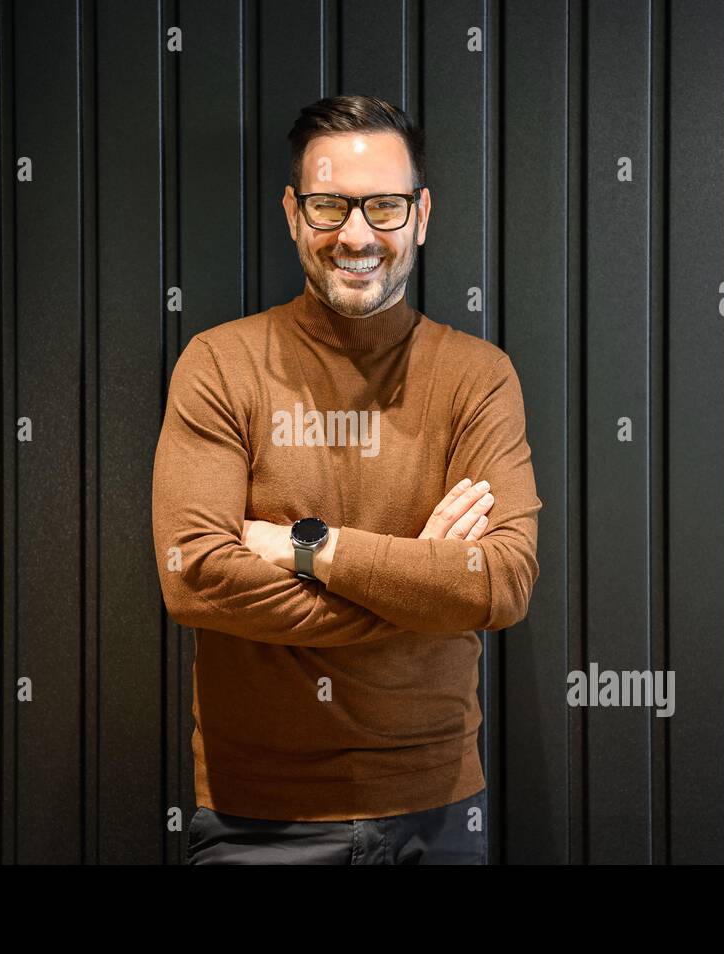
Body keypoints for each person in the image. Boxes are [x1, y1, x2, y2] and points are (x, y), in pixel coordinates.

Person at [151, 94, 542, 864]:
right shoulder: (221, 365)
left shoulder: (477, 378)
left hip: (440, 810)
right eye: (331, 206)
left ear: (421, 215)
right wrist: (420, 586)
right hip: (255, 820)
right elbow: (193, 576)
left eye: (384, 207)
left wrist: (310, 548)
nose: (357, 235)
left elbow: (501, 584)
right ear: (294, 213)